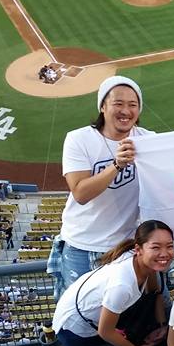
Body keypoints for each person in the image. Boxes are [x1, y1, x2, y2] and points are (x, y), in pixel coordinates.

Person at [50, 75, 154, 297]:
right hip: (82, 245)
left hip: (126, 247)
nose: (125, 111)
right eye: (118, 103)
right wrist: (117, 165)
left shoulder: (148, 140)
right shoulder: (79, 139)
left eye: (132, 105)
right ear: (103, 106)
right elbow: (80, 193)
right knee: (84, 313)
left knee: (125, 313)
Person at [52, 221, 173, 346]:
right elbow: (105, 331)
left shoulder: (143, 263)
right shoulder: (122, 285)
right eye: (156, 247)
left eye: (169, 246)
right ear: (139, 249)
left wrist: (162, 326)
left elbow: (155, 292)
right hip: (74, 329)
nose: (164, 253)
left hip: (93, 319)